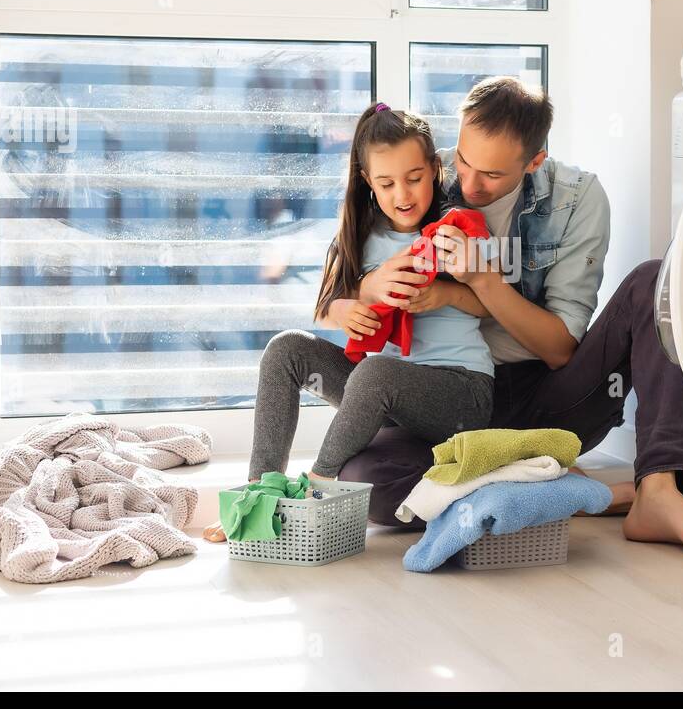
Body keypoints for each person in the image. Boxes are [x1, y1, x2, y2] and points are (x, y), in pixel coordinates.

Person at [341, 77, 683, 555]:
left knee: (655, 278)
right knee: (365, 484)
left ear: (534, 161)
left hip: (546, 399)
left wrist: (482, 281)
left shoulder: (577, 198)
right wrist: (369, 285)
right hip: (449, 404)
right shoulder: (420, 171)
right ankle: (571, 491)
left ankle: (656, 488)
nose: (467, 184)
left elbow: (559, 350)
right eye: (462, 161)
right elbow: (346, 273)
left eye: (490, 175)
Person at [203, 103, 495, 543]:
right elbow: (326, 307)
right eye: (386, 183)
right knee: (286, 349)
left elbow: (491, 305)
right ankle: (260, 494)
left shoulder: (456, 227)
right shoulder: (359, 236)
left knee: (377, 372)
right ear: (366, 182)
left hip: (460, 395)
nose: (404, 195)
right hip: (388, 401)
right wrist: (357, 298)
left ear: (436, 169)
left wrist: (445, 294)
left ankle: (315, 496)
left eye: (415, 178)